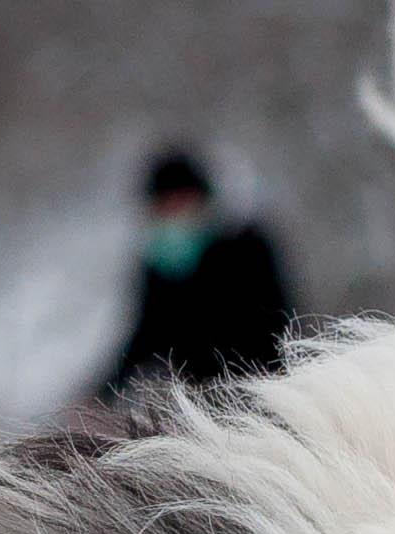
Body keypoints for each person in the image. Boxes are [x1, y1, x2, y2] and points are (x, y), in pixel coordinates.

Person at [98, 148, 292, 400]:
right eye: (163, 207)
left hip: (263, 390)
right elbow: (144, 340)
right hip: (199, 402)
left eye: (179, 202)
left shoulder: (248, 249)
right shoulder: (160, 269)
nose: (173, 214)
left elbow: (281, 322)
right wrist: (103, 394)